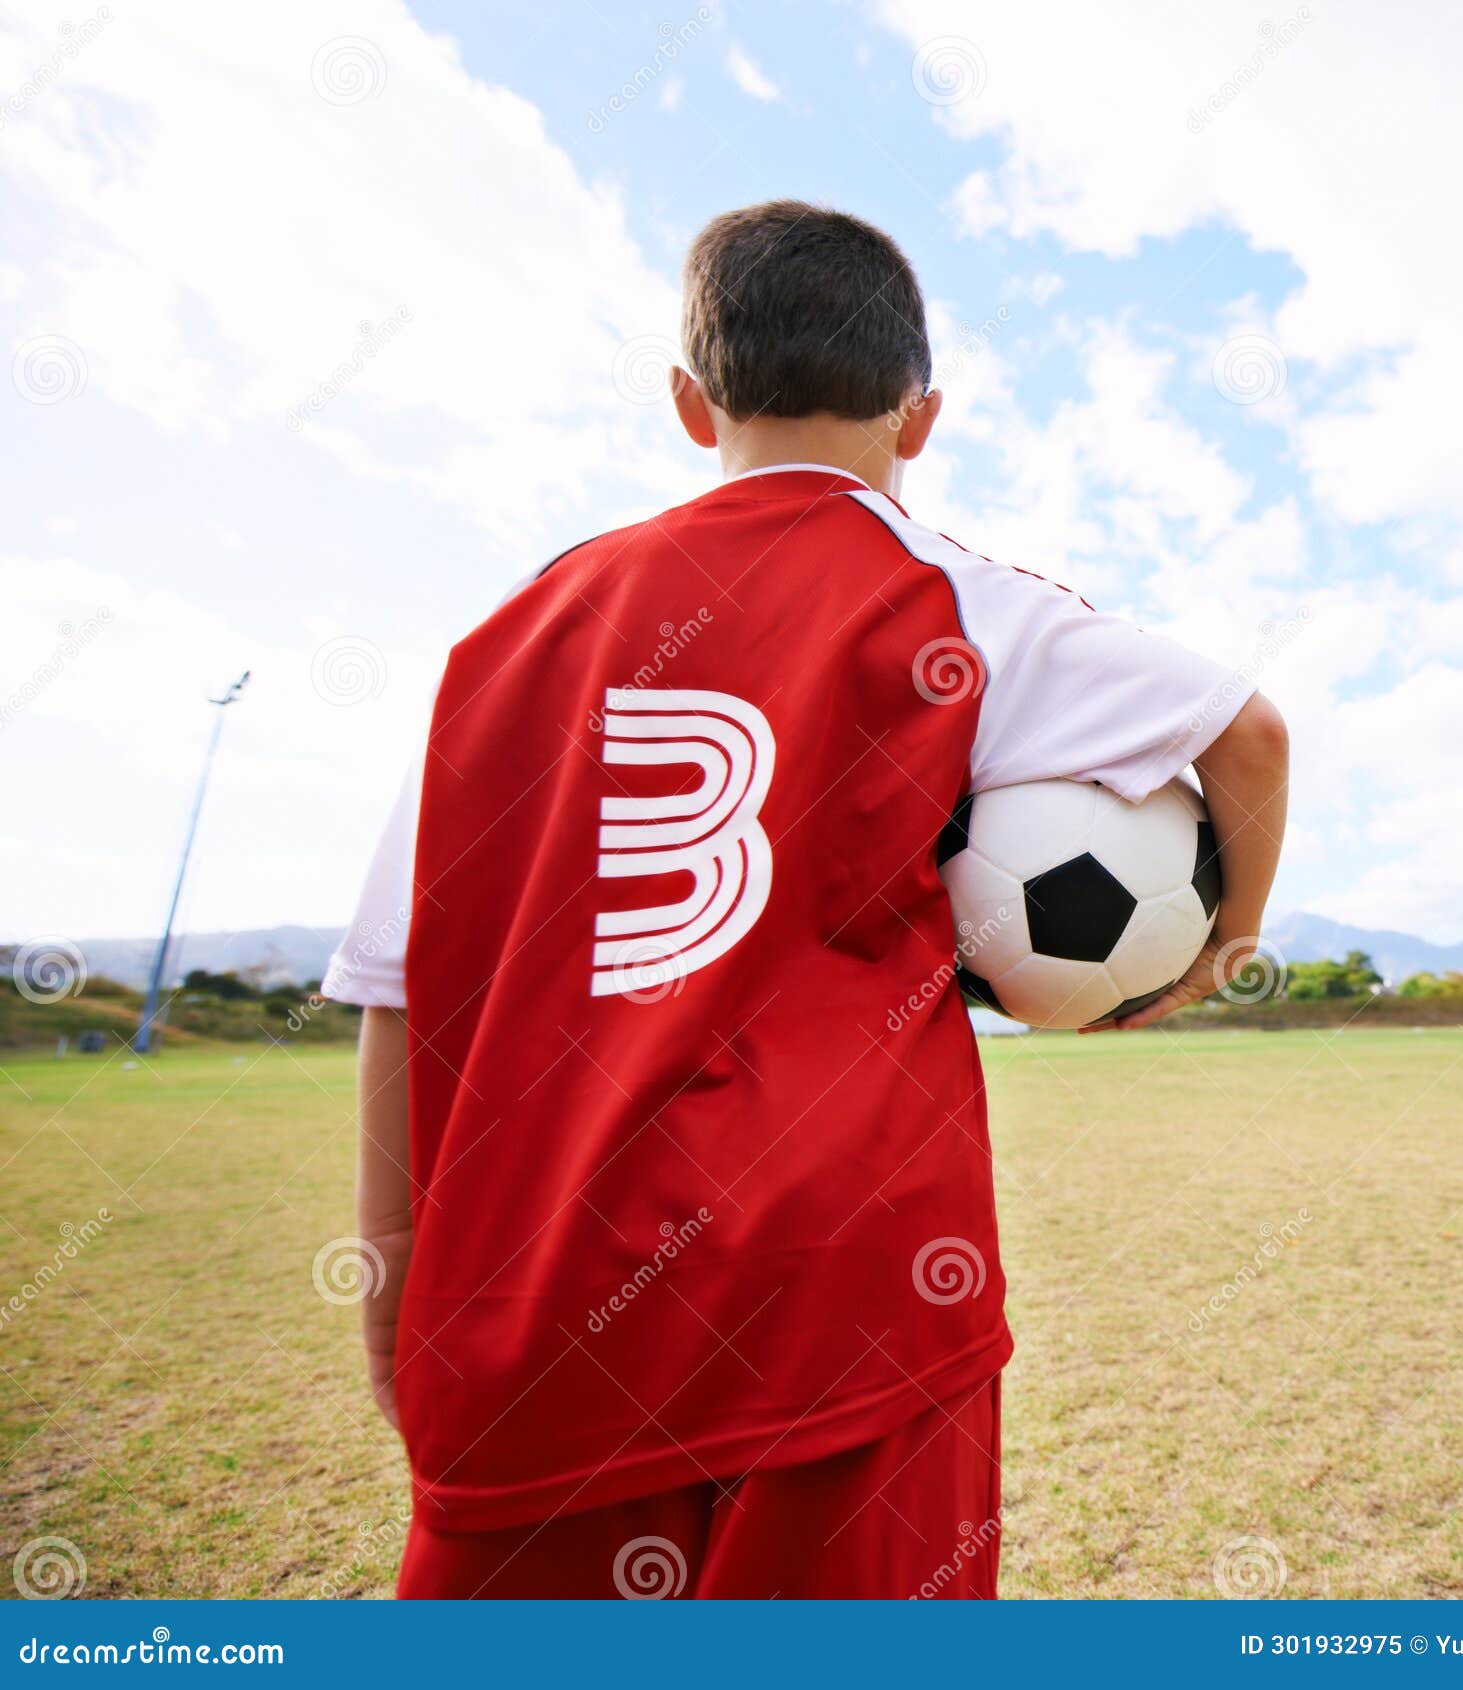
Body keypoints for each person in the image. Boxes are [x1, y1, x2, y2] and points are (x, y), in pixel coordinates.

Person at [322, 200, 1288, 1600]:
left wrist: (393, 1288)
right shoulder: (952, 599)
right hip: (850, 1300)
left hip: (528, 1311)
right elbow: (1246, 733)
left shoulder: (513, 634)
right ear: (923, 415)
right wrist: (1228, 939)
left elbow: (395, 983)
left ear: (685, 400)